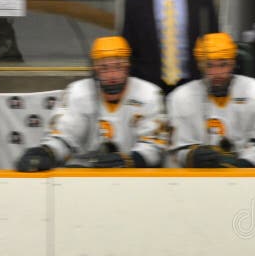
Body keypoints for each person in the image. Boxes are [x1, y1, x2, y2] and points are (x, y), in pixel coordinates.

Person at [16, 37, 167, 172]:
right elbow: (63, 138)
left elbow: (155, 146)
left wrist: (130, 160)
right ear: (94, 70)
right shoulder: (77, 92)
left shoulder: (149, 94)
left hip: (132, 178)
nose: (112, 76)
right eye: (104, 68)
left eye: (118, 67)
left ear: (128, 67)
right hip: (84, 175)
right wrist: (47, 152)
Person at [167, 33, 255, 168]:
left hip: (248, 180)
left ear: (233, 64)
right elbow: (175, 151)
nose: (217, 73)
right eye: (209, 65)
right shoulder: (180, 97)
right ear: (200, 66)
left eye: (223, 65)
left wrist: (240, 165)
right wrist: (191, 156)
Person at [122, 0, 218, 94]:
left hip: (193, 83)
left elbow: (214, 39)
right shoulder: (135, 3)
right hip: (149, 85)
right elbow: (128, 48)